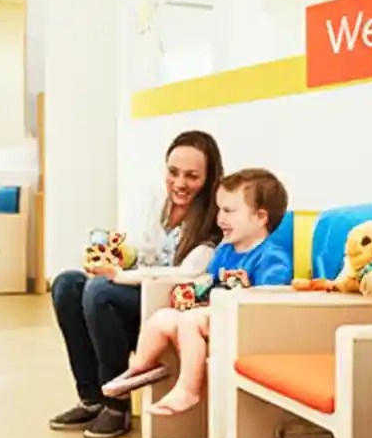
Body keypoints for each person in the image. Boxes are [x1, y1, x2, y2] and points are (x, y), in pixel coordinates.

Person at [48, 130, 224, 438]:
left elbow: (181, 274)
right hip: (135, 287)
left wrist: (117, 275)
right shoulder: (157, 203)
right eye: (173, 172)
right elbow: (141, 254)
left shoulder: (212, 223)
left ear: (209, 179)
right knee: (66, 284)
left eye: (192, 176)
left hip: (166, 301)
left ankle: (116, 406)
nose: (180, 183)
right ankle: (91, 398)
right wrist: (114, 259)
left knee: (99, 291)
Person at [103, 168, 291, 416]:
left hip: (245, 324)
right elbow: (208, 282)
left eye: (229, 211)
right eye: (219, 209)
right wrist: (191, 292)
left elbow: (268, 301)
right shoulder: (226, 251)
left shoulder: (271, 257)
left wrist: (213, 305)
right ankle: (139, 370)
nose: (220, 218)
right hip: (214, 317)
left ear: (259, 217)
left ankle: (188, 390)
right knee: (163, 318)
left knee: (191, 320)